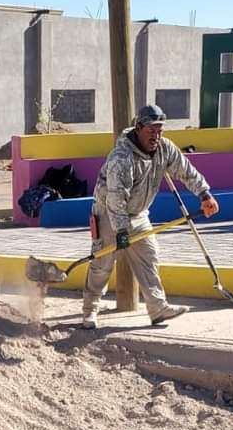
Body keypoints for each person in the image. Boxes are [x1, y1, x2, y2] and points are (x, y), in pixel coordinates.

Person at [82, 104, 220, 329]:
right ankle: (90, 310)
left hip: (139, 214)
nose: (156, 136)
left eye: (159, 130)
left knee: (149, 257)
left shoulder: (165, 148)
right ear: (138, 128)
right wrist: (122, 230)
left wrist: (204, 194)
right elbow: (115, 199)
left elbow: (186, 170)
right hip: (109, 213)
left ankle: (157, 308)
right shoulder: (122, 158)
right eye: (151, 131)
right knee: (102, 265)